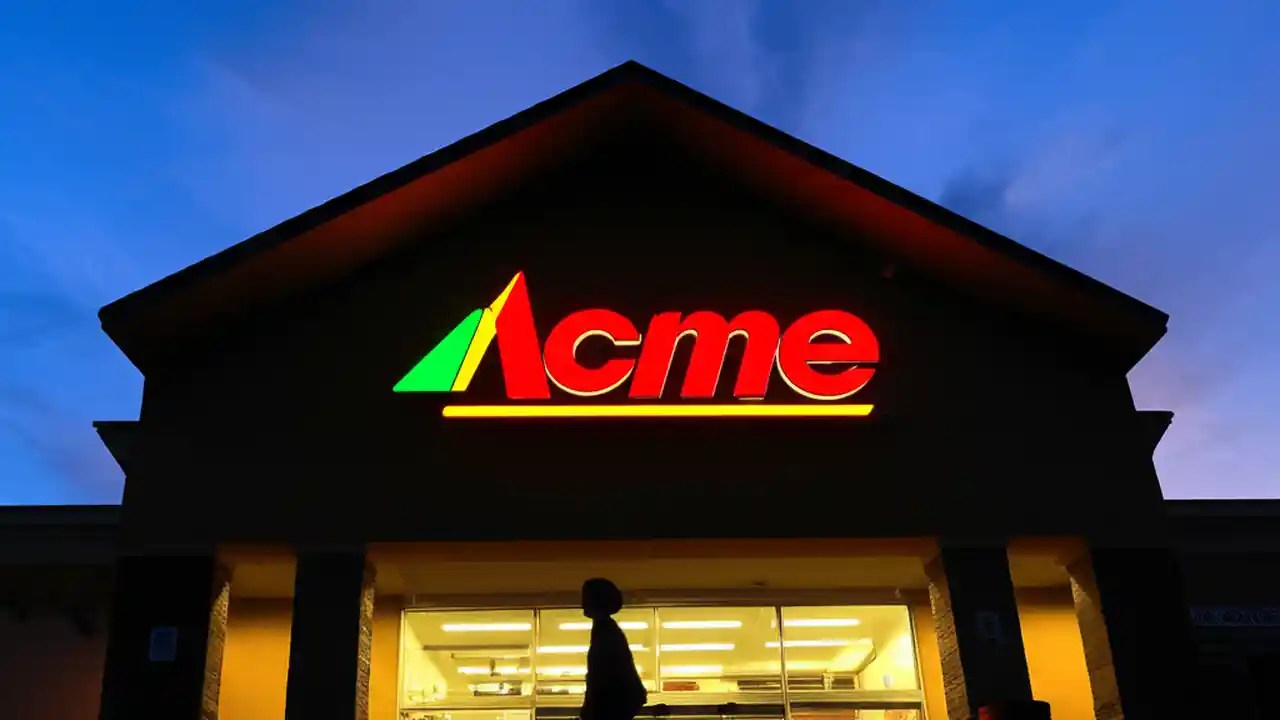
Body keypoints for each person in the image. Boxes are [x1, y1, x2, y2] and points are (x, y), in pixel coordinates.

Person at [580, 578, 648, 720]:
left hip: (610, 708)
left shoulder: (605, 631)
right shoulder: (607, 629)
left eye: (586, 599)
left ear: (598, 601)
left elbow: (601, 677)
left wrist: (591, 709)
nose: (582, 605)